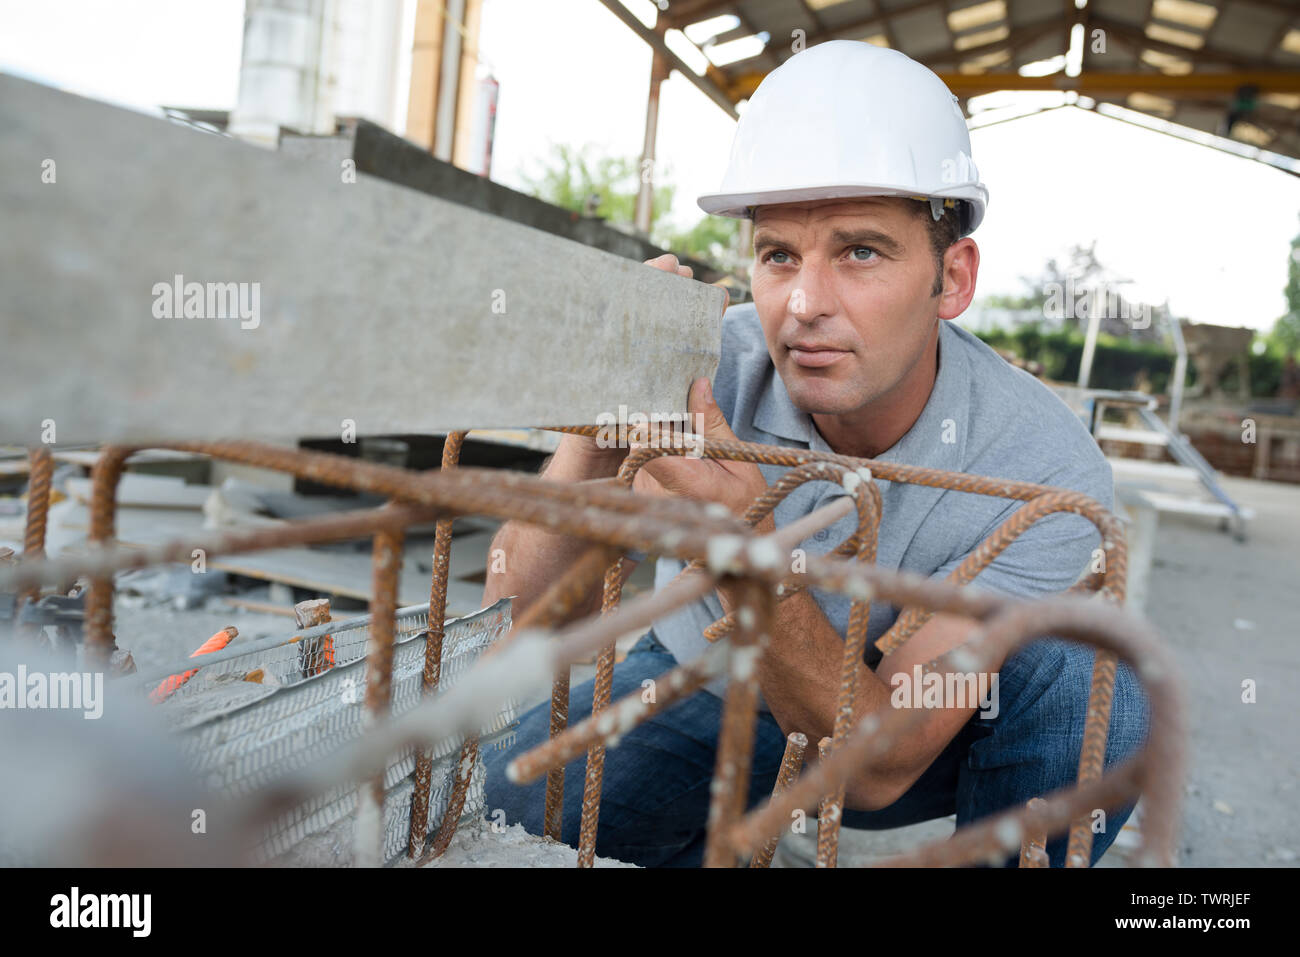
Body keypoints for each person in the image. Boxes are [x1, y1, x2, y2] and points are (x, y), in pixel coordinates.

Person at [482, 40, 1148, 867]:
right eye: (778, 255)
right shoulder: (704, 369)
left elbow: (877, 767)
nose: (802, 304)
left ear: (953, 277)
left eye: (860, 251)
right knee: (508, 805)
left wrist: (743, 547)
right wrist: (593, 432)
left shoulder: (1040, 466)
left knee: (1096, 684)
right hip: (709, 680)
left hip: (912, 731)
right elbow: (517, 630)